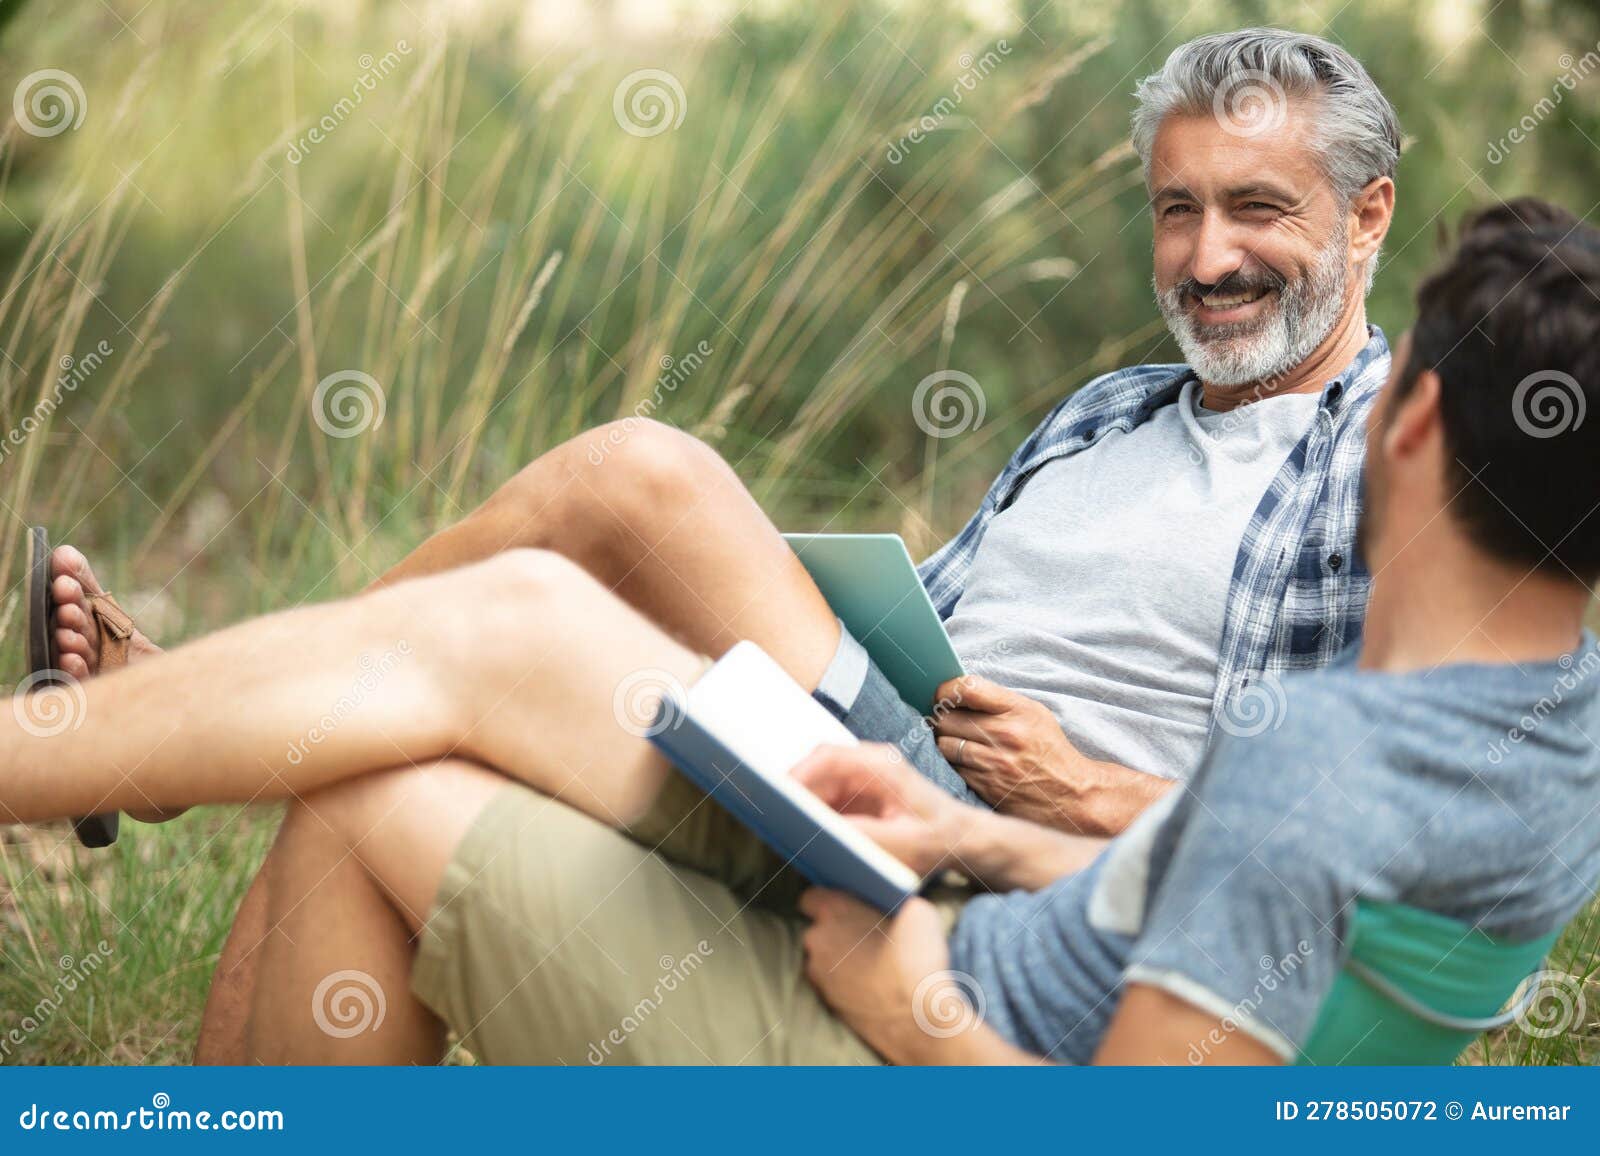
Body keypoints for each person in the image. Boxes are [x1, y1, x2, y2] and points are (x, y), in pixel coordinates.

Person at [8, 196, 1597, 1064]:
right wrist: (959, 840)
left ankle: (100, 761)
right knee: (522, 615)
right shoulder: (1555, 725)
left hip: (916, 1027)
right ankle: (110, 761)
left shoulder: (1326, 764)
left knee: (376, 783)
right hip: (952, 889)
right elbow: (1255, 924)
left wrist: (912, 979)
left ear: (1410, 429)